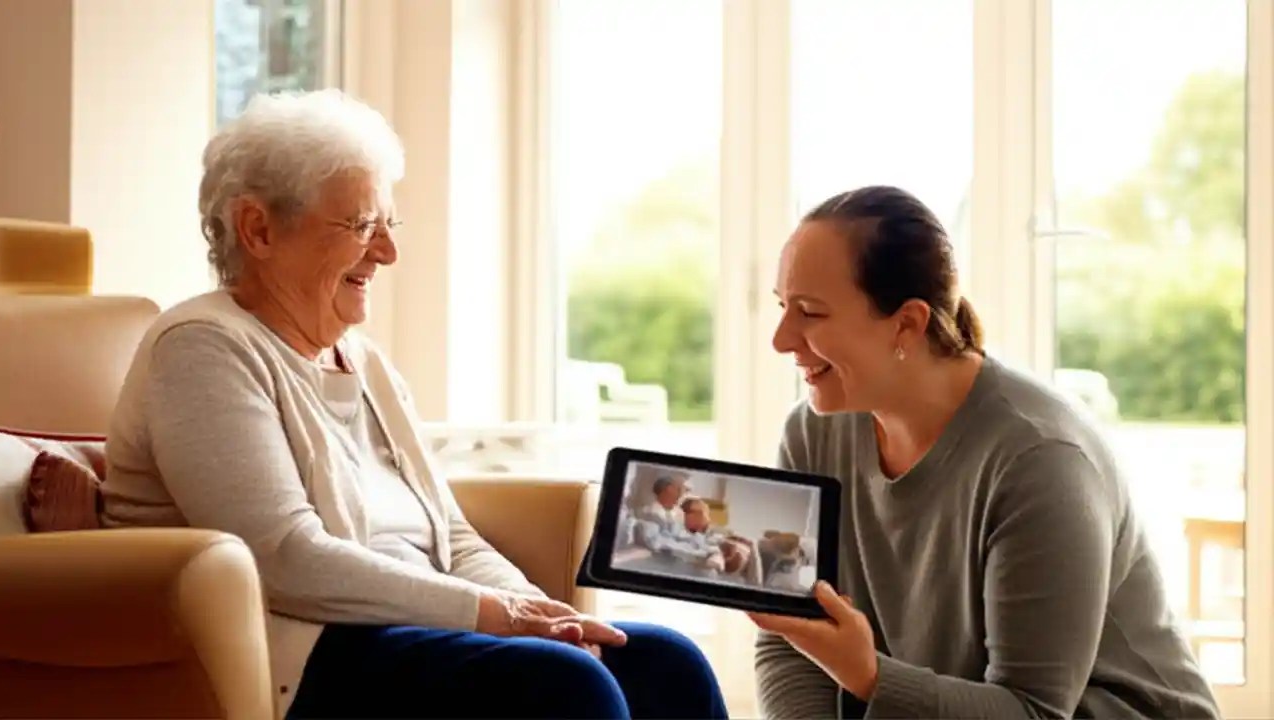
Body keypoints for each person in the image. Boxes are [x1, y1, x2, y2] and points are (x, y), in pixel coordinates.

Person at [99, 89, 727, 720]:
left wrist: (544, 613)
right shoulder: (202, 348)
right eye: (359, 226)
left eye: (387, 225)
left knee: (664, 663)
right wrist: (492, 615)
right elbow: (285, 557)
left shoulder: (363, 360)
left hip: (412, 632)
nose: (387, 251)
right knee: (564, 686)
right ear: (258, 229)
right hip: (304, 651)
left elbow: (450, 537)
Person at [750, 185, 1219, 718]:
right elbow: (789, 638)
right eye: (783, 306)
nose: (781, 339)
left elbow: (1034, 711)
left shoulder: (1041, 460)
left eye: (810, 313)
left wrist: (869, 675)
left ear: (907, 323)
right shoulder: (813, 435)